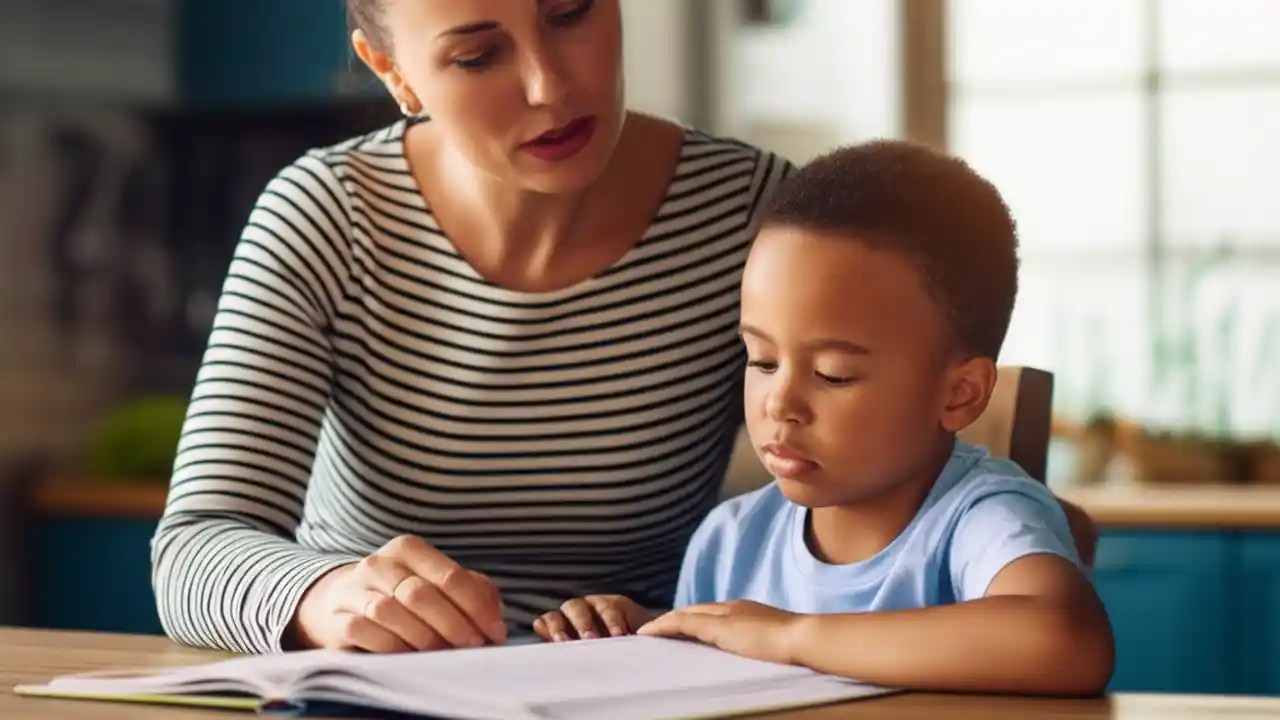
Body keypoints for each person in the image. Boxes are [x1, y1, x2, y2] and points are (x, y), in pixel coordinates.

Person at [152, 0, 1096, 656]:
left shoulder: (748, 215)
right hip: (379, 691)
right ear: (394, 70)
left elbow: (908, 479)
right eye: (478, 55)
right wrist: (321, 596)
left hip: (651, 679)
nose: (551, 85)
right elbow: (194, 549)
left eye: (572, 13)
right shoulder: (326, 217)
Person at [533, 141, 1116, 696]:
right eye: (761, 359)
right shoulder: (731, 541)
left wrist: (789, 635)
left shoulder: (979, 518)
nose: (778, 403)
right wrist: (649, 638)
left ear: (959, 394)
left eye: (833, 373)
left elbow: (1063, 640)